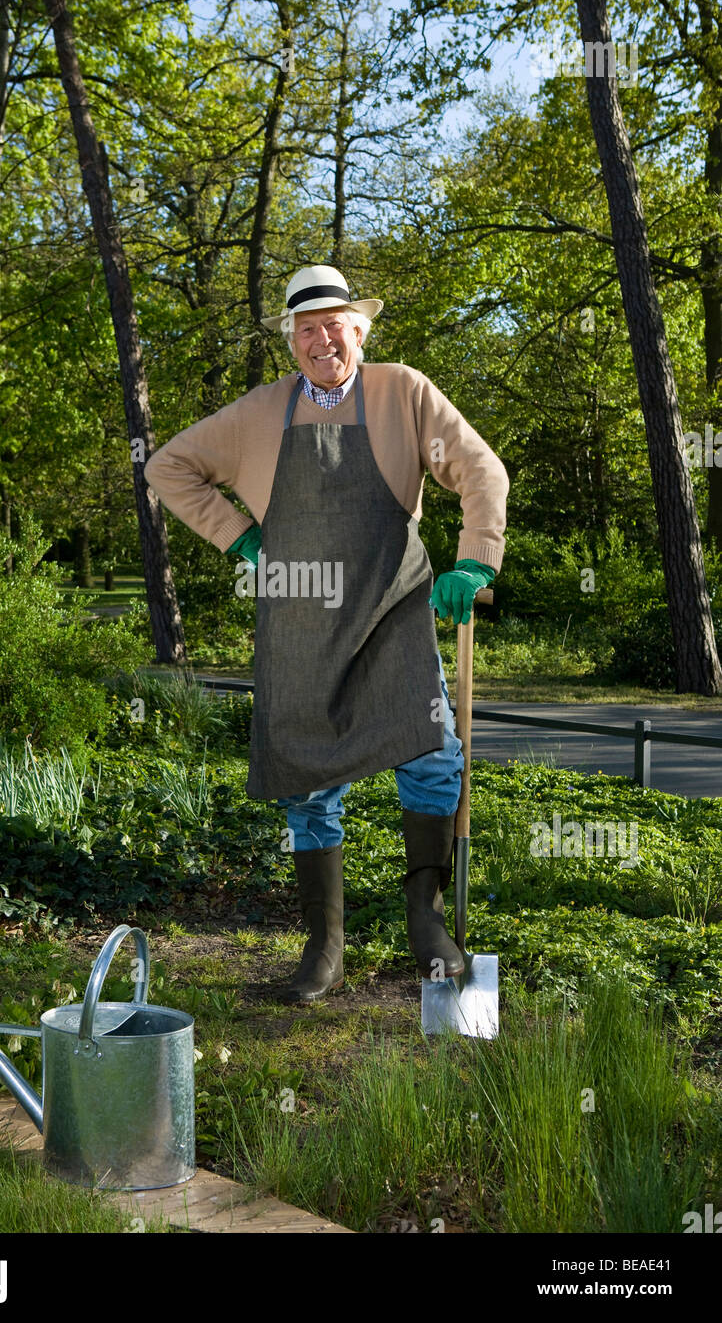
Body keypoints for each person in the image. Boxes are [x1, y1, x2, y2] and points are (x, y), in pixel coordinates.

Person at [144, 265, 508, 1002]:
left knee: (433, 753)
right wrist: (240, 538)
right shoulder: (258, 414)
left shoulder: (402, 392)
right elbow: (167, 465)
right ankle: (324, 945)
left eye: (334, 323)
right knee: (308, 785)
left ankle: (426, 919)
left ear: (360, 331)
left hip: (391, 606)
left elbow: (480, 470)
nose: (322, 339)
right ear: (292, 341)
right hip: (299, 618)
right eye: (306, 328)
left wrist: (474, 561)